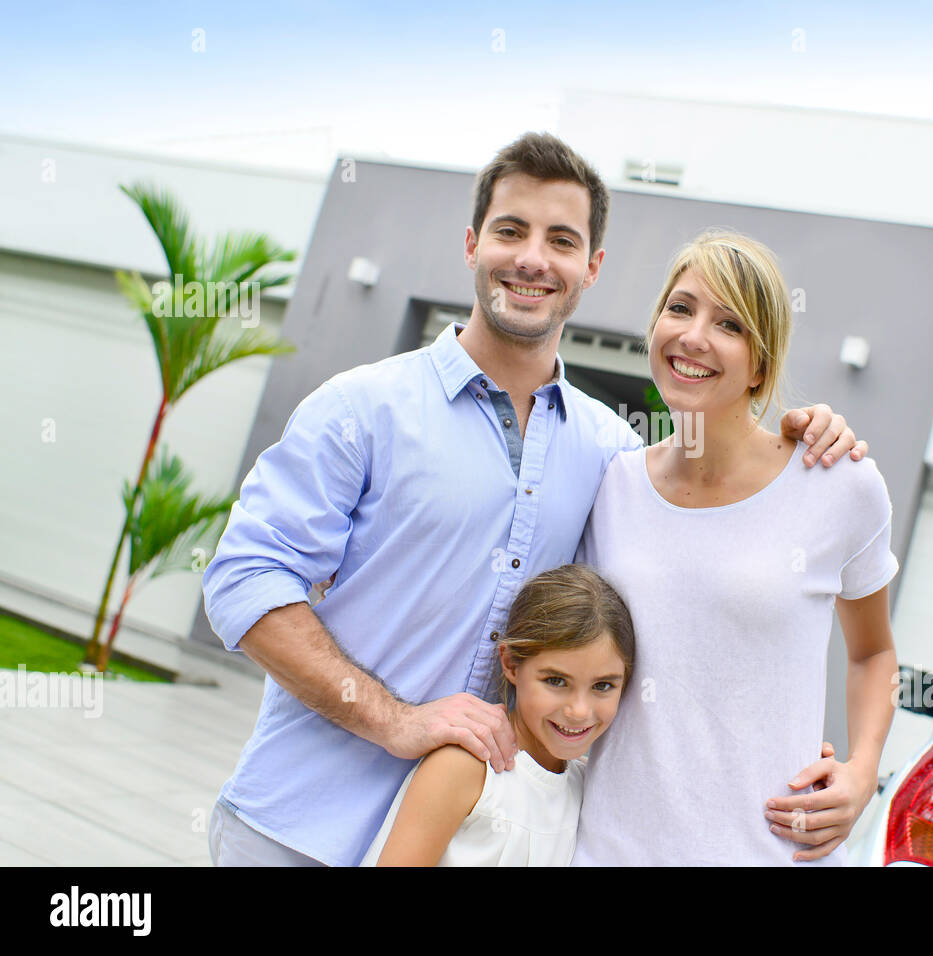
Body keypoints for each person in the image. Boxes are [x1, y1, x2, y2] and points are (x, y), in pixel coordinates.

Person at [202, 131, 870, 867]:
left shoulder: (614, 457)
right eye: (511, 230)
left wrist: (801, 435)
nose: (531, 259)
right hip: (302, 831)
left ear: (591, 267)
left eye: (560, 239)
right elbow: (244, 578)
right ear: (471, 243)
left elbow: (682, 599)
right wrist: (393, 721)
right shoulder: (364, 407)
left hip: (476, 841)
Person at [572, 229, 899, 866]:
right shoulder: (612, 485)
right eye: (680, 308)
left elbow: (874, 653)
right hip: (609, 850)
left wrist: (863, 774)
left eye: (729, 324)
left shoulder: (838, 484)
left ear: (762, 365)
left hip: (769, 852)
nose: (693, 336)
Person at [359, 564, 634, 866]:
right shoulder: (466, 767)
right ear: (511, 664)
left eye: (602, 685)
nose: (579, 711)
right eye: (556, 681)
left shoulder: (585, 787)